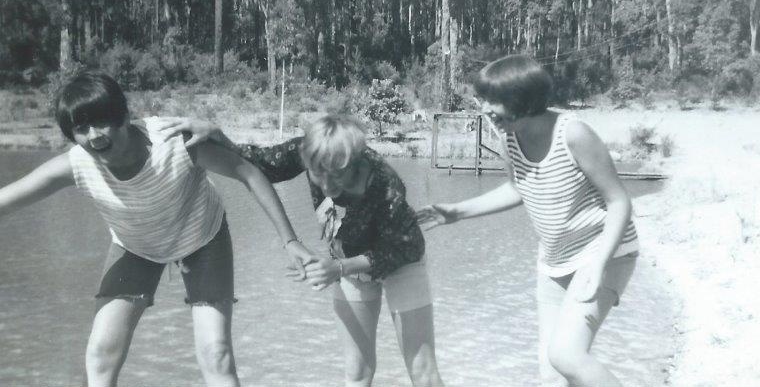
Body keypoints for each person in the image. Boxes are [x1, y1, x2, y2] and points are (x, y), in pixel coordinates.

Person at [0, 71, 313, 387]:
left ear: (125, 117)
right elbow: (8, 199)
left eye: (102, 123)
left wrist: (290, 241)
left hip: (202, 237)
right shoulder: (78, 164)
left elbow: (249, 174)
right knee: (100, 353)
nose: (94, 136)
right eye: (81, 129)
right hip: (136, 246)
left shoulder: (176, 143)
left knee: (216, 353)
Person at [161, 114, 445, 387]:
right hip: (348, 268)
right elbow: (258, 165)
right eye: (318, 175)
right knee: (357, 374)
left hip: (402, 263)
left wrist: (339, 268)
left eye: (338, 176)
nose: (327, 185)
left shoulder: (386, 183)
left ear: (354, 162)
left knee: (422, 373)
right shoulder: (310, 150)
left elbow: (398, 250)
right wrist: (217, 134)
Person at [417, 55, 639, 387]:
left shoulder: (573, 133)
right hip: (553, 262)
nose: (485, 110)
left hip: (604, 254)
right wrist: (457, 212)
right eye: (484, 100)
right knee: (552, 374)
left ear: (523, 101)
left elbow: (619, 200)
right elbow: (517, 187)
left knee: (566, 355)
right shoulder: (509, 138)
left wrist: (598, 264)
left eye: (494, 102)